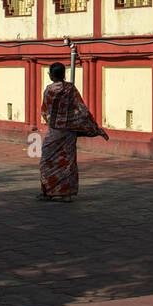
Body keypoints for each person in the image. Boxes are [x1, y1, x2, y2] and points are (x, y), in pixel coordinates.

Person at [38, 62, 108, 202]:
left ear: (51, 75)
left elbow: (45, 111)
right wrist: (92, 127)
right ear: (63, 74)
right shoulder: (71, 89)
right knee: (67, 162)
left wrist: (55, 120)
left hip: (55, 132)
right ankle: (66, 194)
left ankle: (49, 191)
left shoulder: (49, 90)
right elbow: (81, 109)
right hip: (69, 132)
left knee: (47, 161)